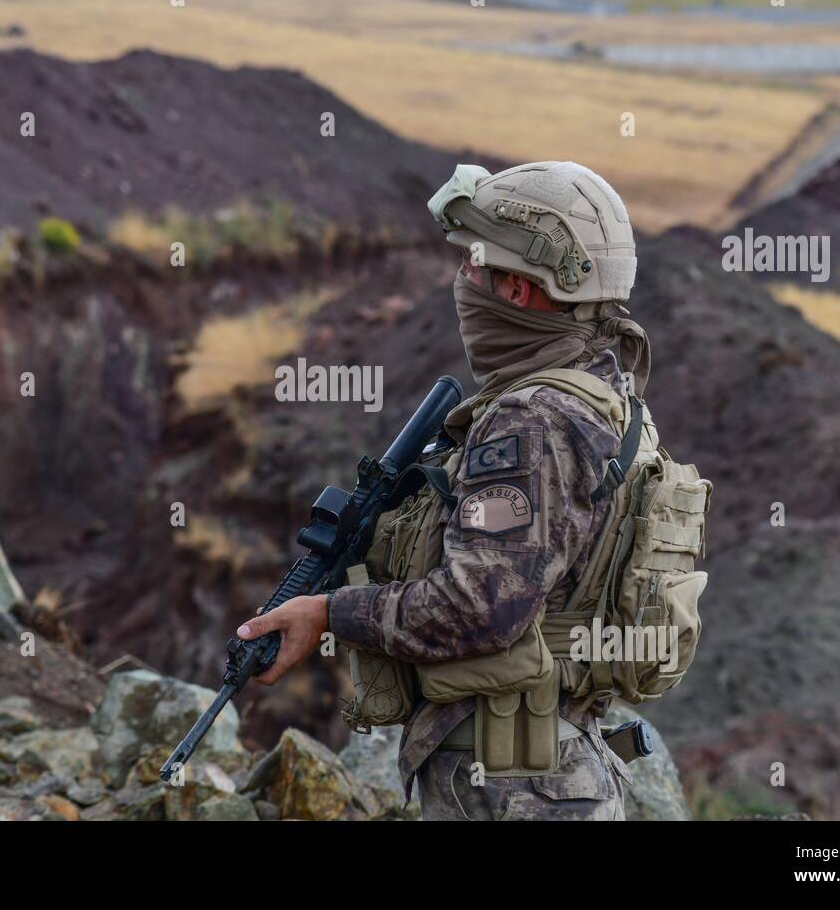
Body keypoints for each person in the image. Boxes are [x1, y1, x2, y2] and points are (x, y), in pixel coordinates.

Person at [236, 161, 656, 820]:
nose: (464, 283)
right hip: (543, 771)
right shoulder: (604, 389)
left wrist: (327, 613)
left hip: (507, 786)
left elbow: (481, 607)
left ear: (518, 289)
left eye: (475, 267)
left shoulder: (533, 419)